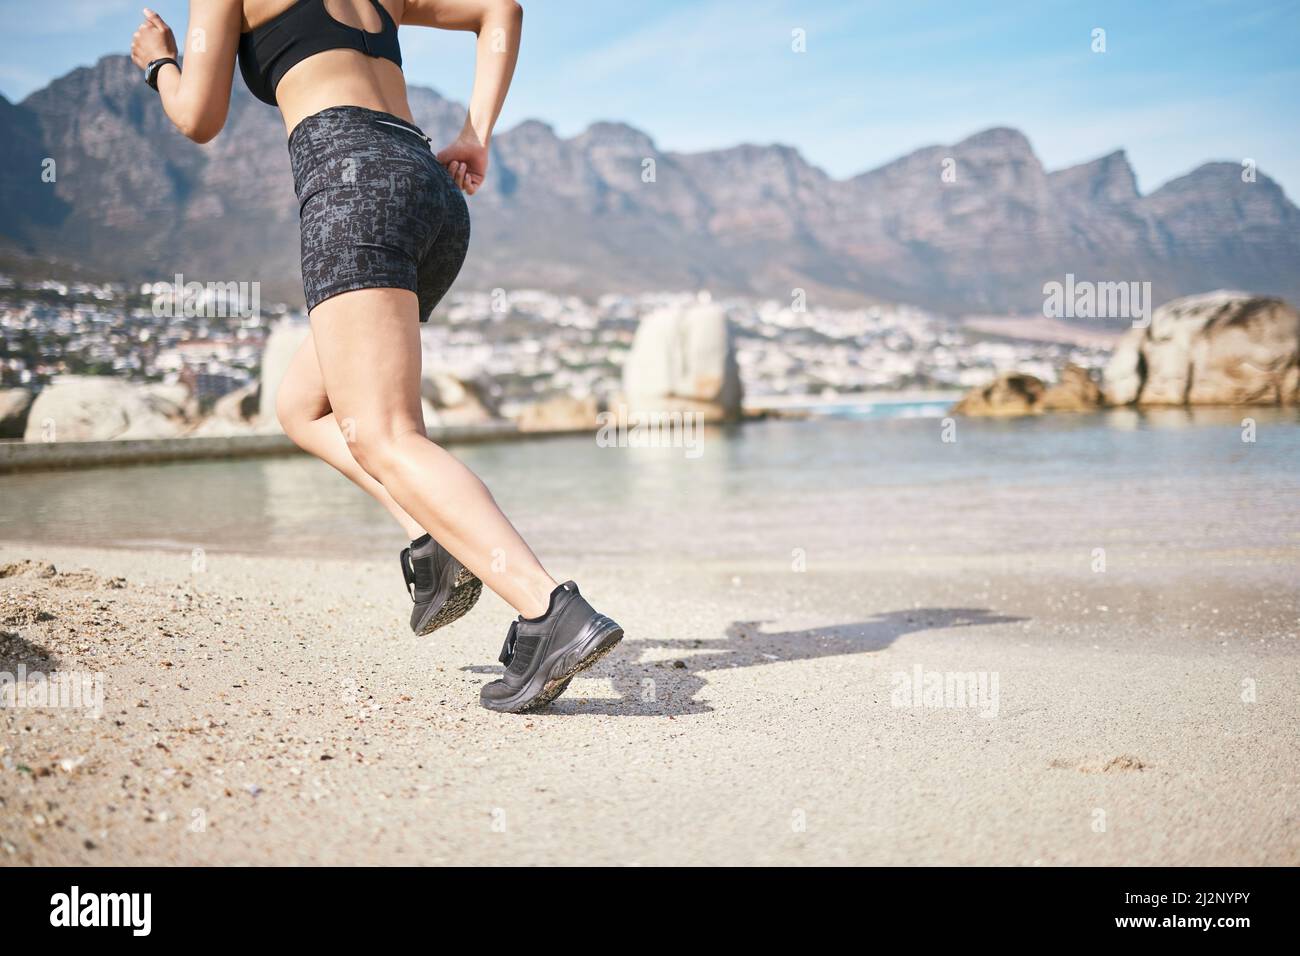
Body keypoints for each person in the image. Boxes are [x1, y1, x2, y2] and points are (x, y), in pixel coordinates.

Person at [129, 0, 622, 712]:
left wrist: (158, 63)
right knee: (302, 407)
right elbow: (500, 9)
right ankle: (436, 540)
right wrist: (474, 136)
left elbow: (198, 118)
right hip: (428, 189)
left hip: (350, 184)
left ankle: (550, 611)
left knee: (388, 434)